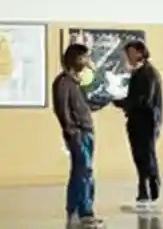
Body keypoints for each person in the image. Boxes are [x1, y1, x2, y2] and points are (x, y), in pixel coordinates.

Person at [53, 43, 102, 228]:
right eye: (83, 58)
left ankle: (81, 211)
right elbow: (62, 109)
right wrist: (71, 131)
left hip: (87, 131)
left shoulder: (76, 82)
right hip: (78, 133)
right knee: (82, 172)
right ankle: (81, 212)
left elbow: (86, 104)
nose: (86, 61)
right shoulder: (63, 82)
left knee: (84, 172)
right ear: (73, 59)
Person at [114, 39, 163, 214]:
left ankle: (150, 192)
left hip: (146, 123)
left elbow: (143, 101)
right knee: (140, 157)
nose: (127, 57)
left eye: (130, 52)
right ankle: (144, 193)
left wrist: (121, 103)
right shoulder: (139, 73)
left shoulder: (148, 74)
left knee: (146, 157)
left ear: (140, 52)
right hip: (138, 122)